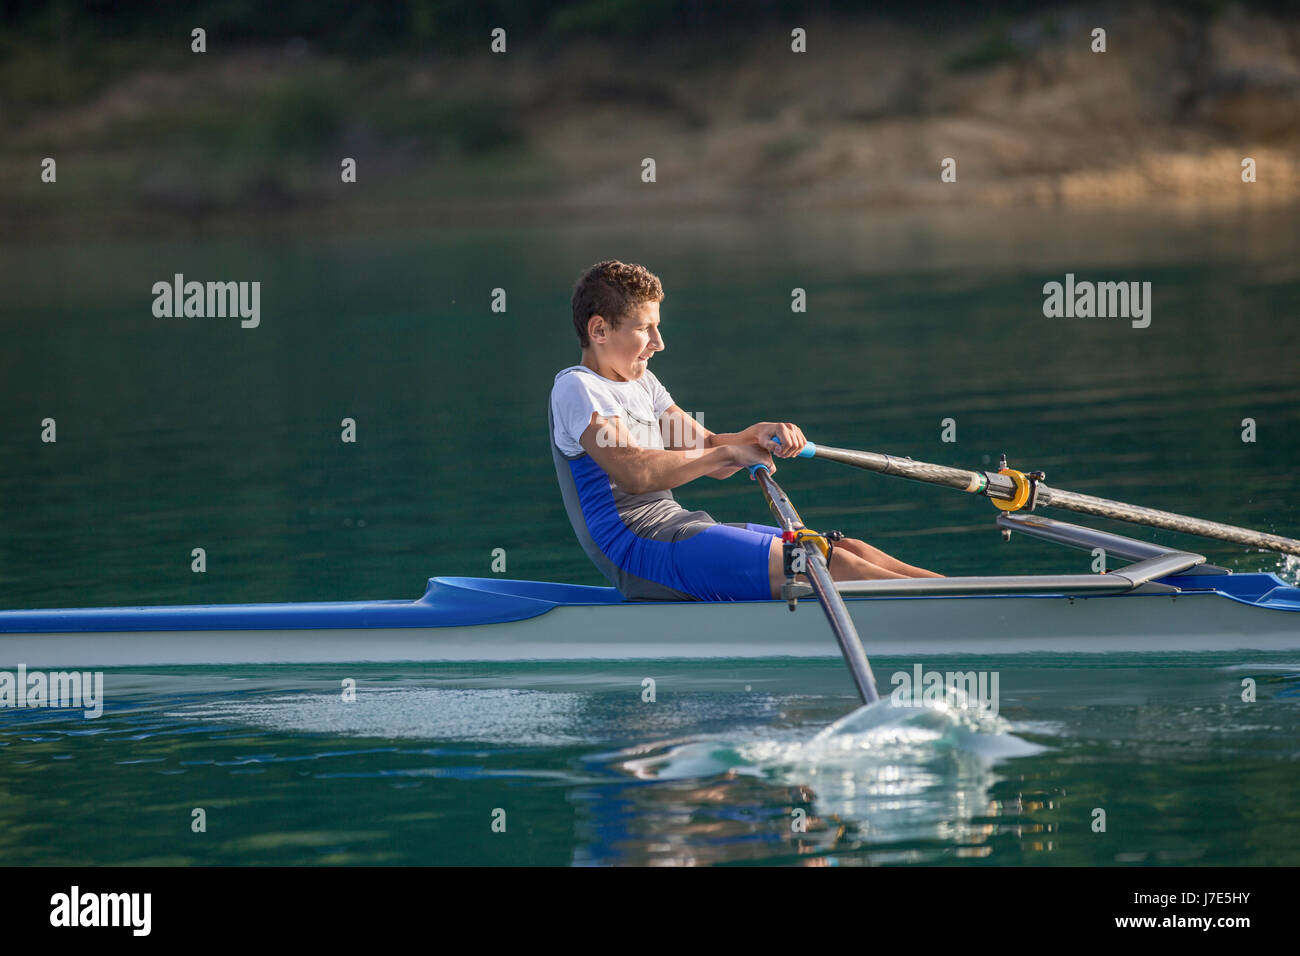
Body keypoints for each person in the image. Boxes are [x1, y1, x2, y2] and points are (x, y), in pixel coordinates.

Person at [548, 259, 941, 601]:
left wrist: (752, 436)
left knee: (841, 549)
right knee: (814, 562)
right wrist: (728, 453)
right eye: (644, 329)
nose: (659, 343)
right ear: (598, 331)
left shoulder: (643, 383)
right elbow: (636, 472)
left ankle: (977, 591)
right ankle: (968, 610)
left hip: (678, 527)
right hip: (636, 548)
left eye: (658, 328)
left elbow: (708, 450)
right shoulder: (577, 387)